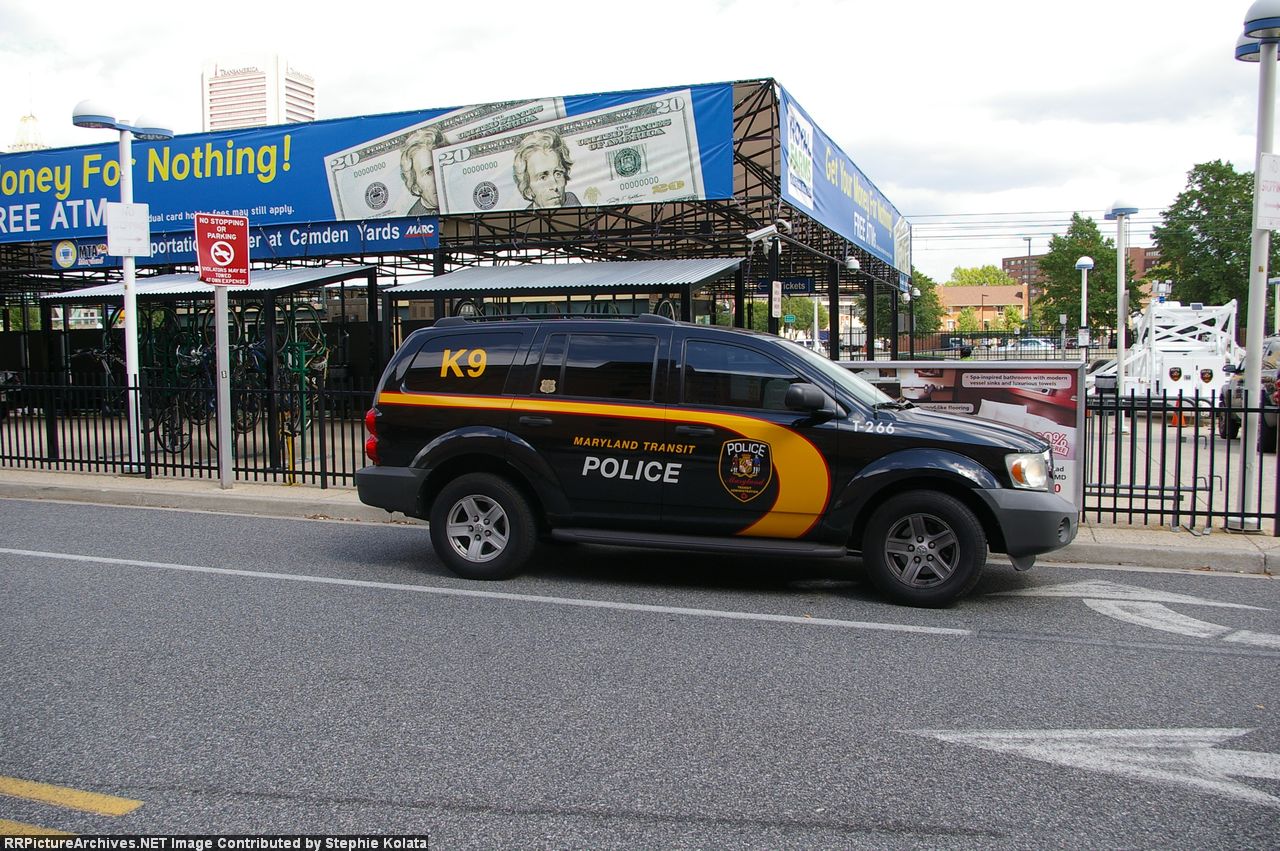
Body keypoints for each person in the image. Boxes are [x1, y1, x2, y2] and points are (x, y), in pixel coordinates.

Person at [512, 129, 580, 209]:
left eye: (558, 174)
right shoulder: (520, 220)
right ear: (528, 191)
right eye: (543, 177)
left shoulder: (583, 213)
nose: (555, 186)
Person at [399, 126, 447, 215]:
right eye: (428, 172)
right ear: (415, 187)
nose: (438, 177)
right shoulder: (413, 220)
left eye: (441, 166)